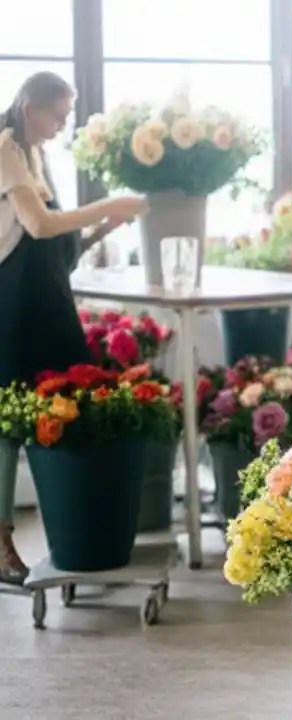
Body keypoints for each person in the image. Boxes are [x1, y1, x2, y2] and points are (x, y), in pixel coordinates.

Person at [0, 71, 145, 584]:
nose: (62, 127)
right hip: (15, 306)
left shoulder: (37, 157)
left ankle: (72, 530)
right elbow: (38, 226)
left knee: (58, 412)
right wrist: (106, 204)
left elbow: (58, 253)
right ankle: (1, 543)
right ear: (29, 106)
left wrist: (106, 227)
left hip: (47, 301)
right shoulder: (5, 149)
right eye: (57, 116)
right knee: (11, 427)